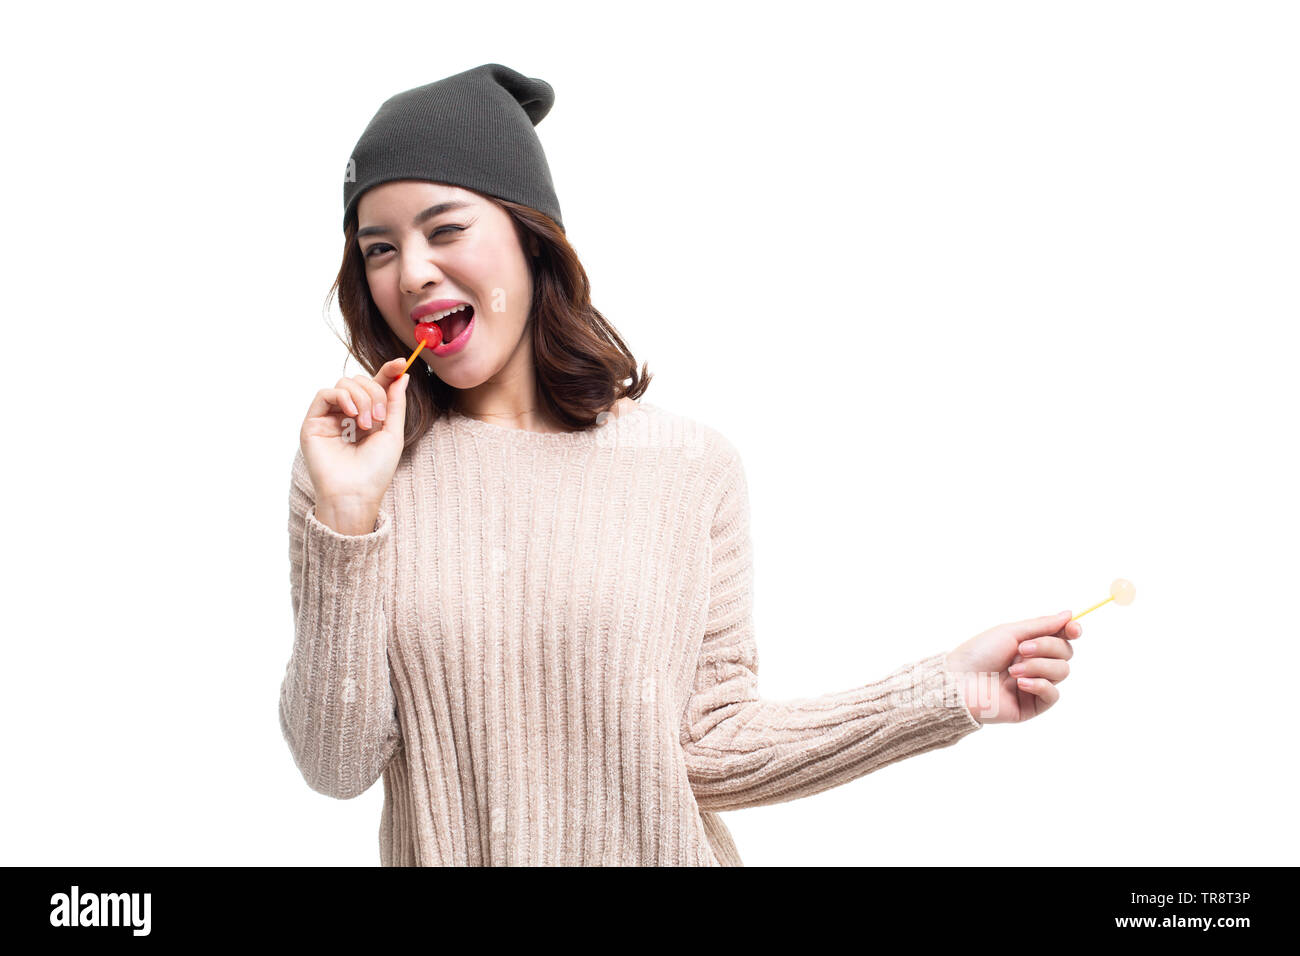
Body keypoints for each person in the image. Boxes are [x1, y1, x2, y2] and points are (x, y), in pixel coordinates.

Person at [277, 63, 1083, 866]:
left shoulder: (687, 467)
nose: (410, 271)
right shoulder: (351, 477)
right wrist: (347, 523)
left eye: (445, 229)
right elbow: (336, 766)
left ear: (530, 236)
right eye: (379, 247)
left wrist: (945, 690)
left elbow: (711, 744)